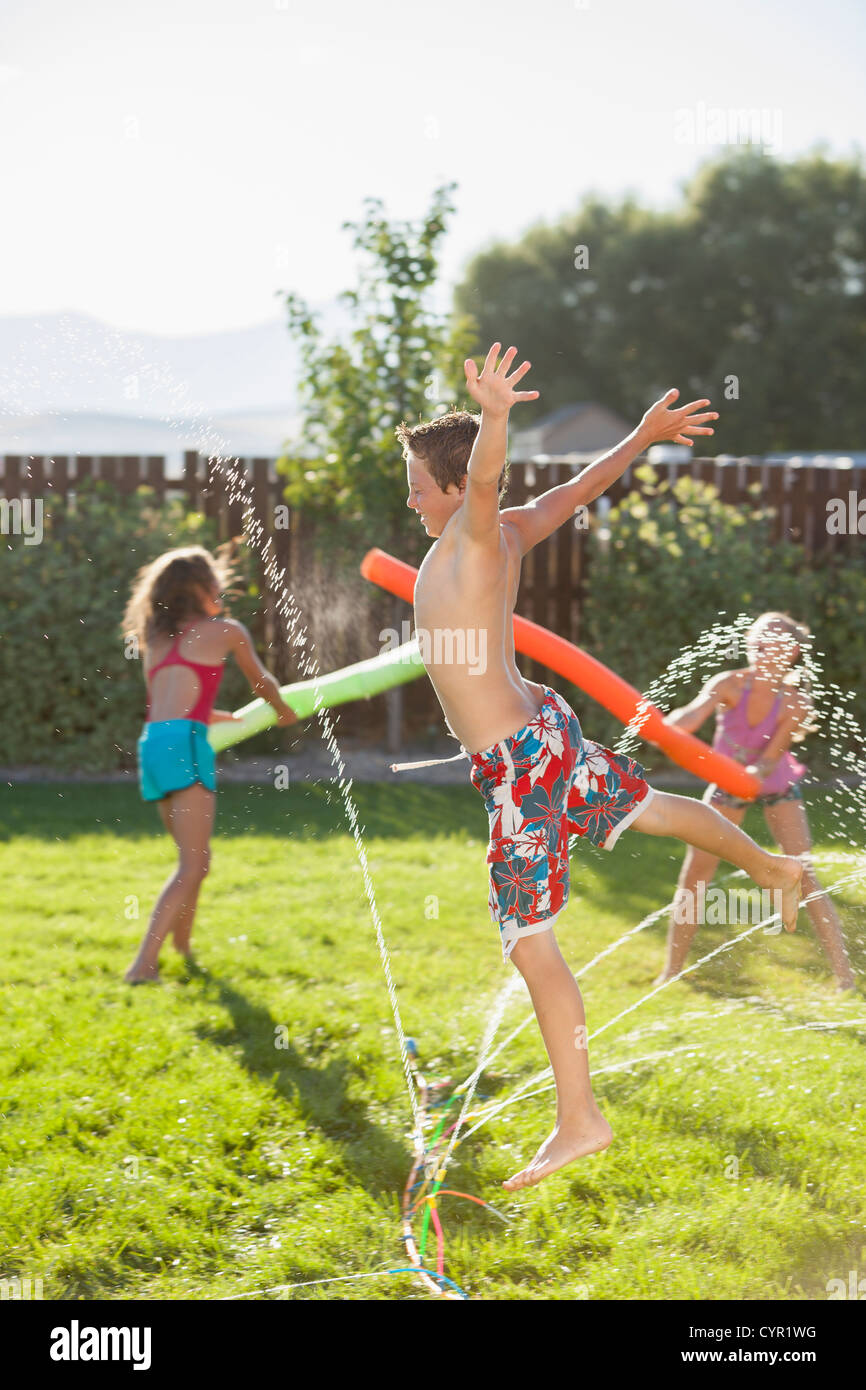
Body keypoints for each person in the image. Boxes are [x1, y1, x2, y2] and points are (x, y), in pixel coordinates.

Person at [395, 342, 802, 1192]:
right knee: (650, 806)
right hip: (543, 733)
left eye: (418, 484)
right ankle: (770, 864)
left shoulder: (476, 531)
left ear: (454, 484)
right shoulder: (504, 534)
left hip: (517, 765)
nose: (411, 497)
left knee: (532, 946)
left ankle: (579, 1120)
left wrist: (496, 418)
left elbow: (485, 482)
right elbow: (572, 492)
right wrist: (643, 436)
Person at [122, 546, 296, 983]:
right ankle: (143, 964)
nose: (222, 587)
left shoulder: (157, 641)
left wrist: (219, 717)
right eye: (215, 580)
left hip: (153, 744)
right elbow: (262, 680)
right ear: (199, 590)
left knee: (193, 859)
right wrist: (281, 710)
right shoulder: (227, 631)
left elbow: (170, 700)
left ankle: (181, 947)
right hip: (185, 745)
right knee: (193, 865)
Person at [660, 612, 855, 989]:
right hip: (727, 784)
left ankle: (844, 976)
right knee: (696, 874)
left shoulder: (795, 702)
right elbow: (695, 712)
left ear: (793, 652)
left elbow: (769, 761)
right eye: (756, 641)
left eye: (771, 642)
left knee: (805, 876)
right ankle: (671, 971)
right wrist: (668, 727)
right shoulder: (730, 684)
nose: (760, 648)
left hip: (776, 786)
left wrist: (755, 776)